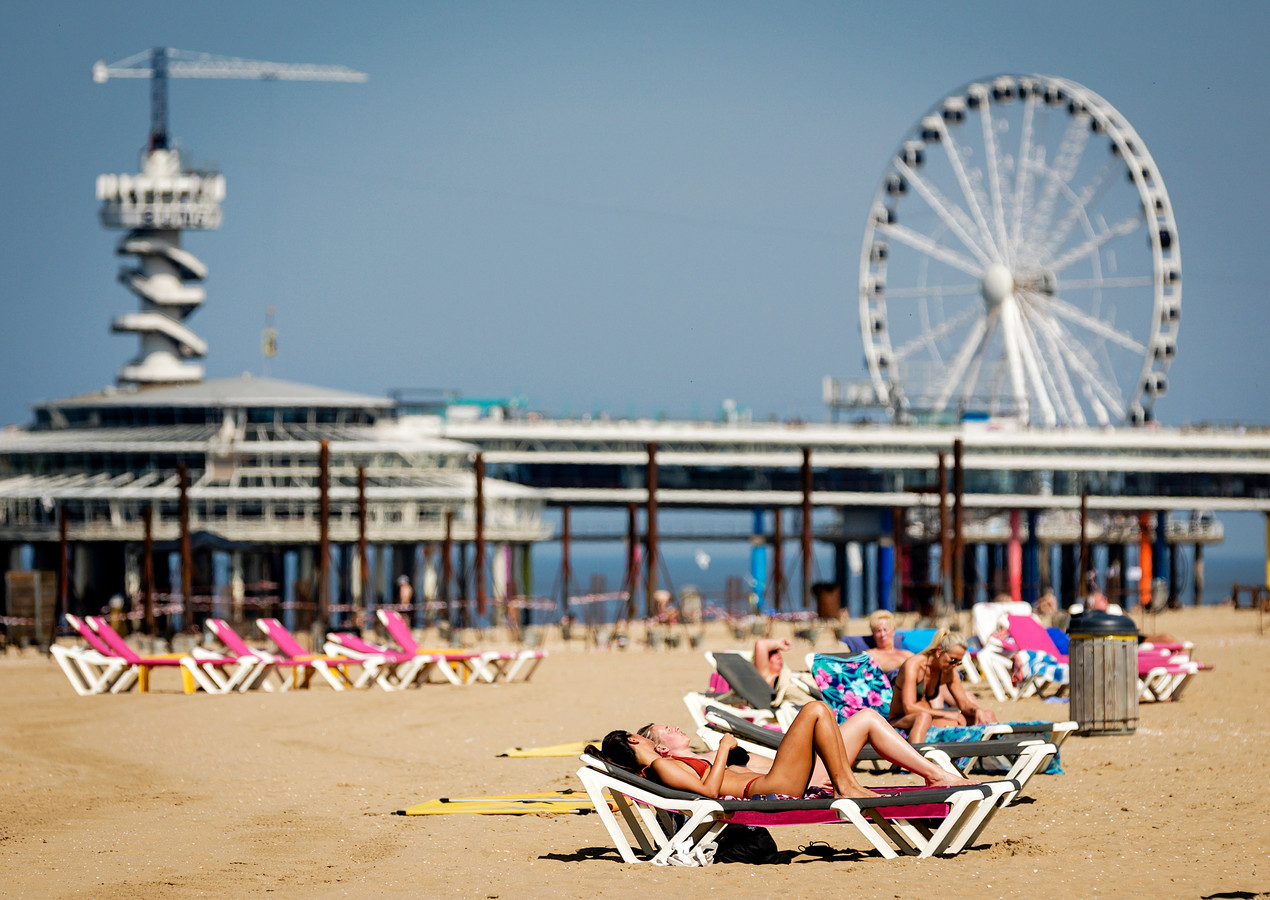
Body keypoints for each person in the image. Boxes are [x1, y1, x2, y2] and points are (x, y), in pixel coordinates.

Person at [599, 701, 976, 802]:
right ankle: (845, 785)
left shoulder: (667, 765)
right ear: (635, 741)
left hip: (770, 779)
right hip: (769, 785)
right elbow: (709, 793)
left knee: (848, 716)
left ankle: (932, 775)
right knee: (814, 711)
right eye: (645, 735)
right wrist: (726, 748)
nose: (649, 736)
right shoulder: (663, 769)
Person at [888, 629, 997, 744]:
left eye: (958, 662)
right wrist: (946, 714)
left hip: (929, 717)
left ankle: (1001, 758)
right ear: (939, 652)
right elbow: (909, 707)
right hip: (901, 719)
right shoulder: (913, 665)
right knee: (925, 717)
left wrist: (977, 710)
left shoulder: (949, 672)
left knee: (987, 716)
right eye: (952, 660)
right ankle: (914, 760)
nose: (954, 665)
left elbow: (964, 704)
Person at [751, 638, 819, 706]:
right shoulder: (766, 676)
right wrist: (779, 644)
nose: (778, 655)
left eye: (778, 652)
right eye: (773, 653)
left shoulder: (788, 674)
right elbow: (761, 644)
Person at [864, 609, 912, 678]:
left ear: (893, 630)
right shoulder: (870, 654)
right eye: (878, 631)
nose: (882, 634)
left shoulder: (906, 653)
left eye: (885, 630)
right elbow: (872, 670)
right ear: (873, 634)